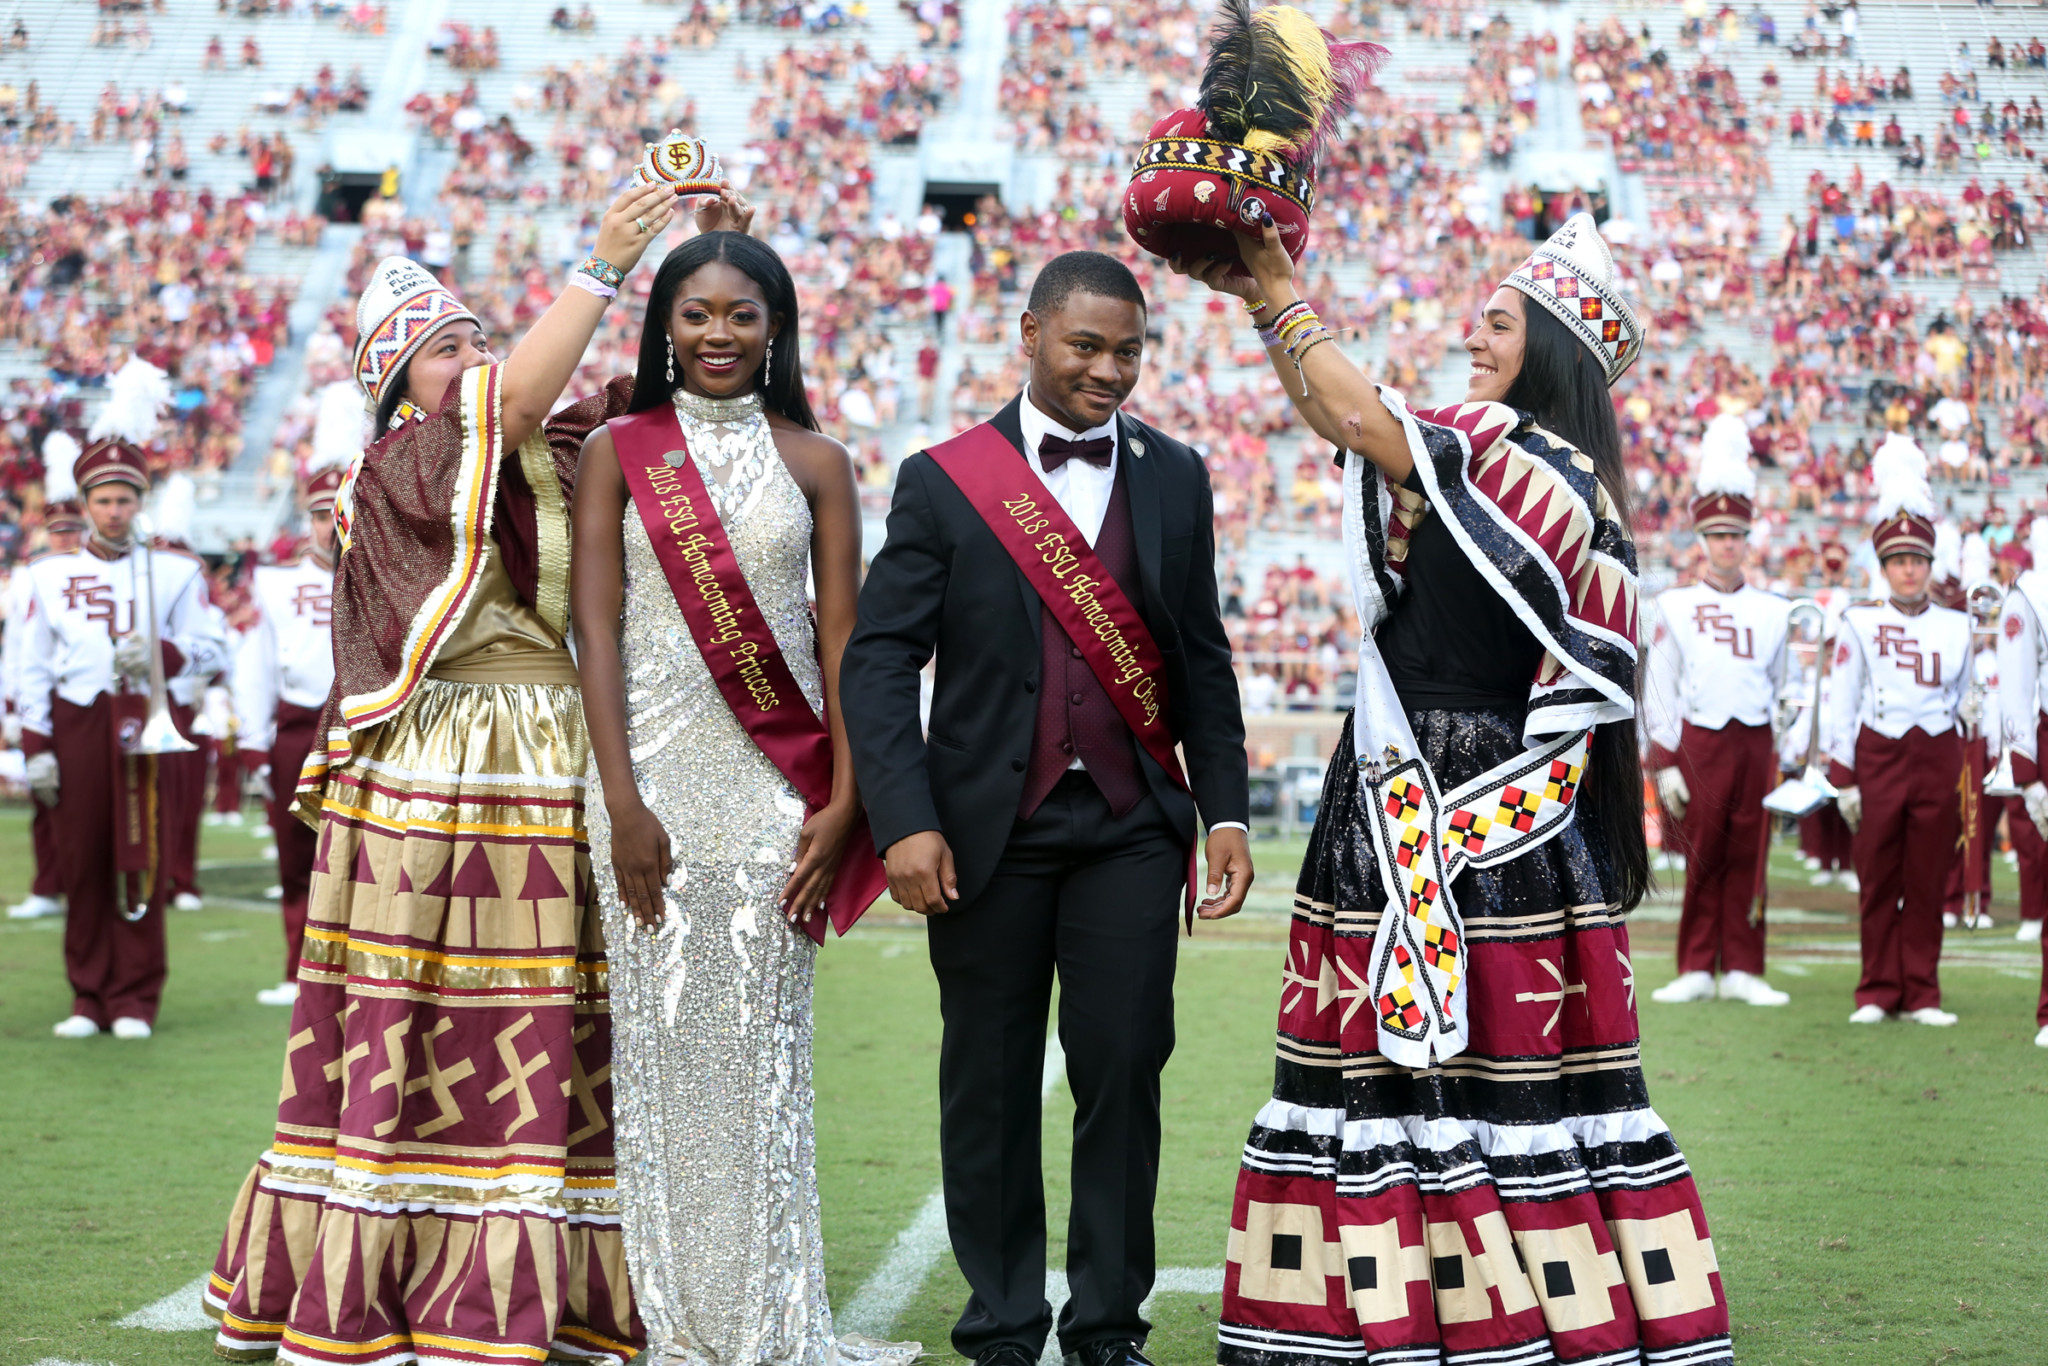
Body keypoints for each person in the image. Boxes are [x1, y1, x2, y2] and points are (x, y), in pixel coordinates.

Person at [1176, 212, 1730, 1365]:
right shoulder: (1492, 456)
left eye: (1498, 321)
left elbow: (1369, 416)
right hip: (1412, 776)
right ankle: (1439, 1290)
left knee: (1467, 1062)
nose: (1473, 335)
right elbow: (1343, 417)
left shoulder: (1534, 464)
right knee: (1420, 1055)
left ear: (1557, 348)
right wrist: (1254, 298)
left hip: (1459, 778)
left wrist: (1278, 282)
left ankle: (1455, 1300)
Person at [203, 178, 688, 1366]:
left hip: (553, 746)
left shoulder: (537, 450)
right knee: (416, 1014)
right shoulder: (402, 469)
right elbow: (517, 394)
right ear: (396, 383)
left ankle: (554, 1283)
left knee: (553, 1019)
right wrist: (604, 261)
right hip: (444, 760)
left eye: (477, 335)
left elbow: (649, 401)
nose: (475, 356)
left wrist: (698, 256)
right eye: (445, 347)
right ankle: (394, 1274)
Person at [841, 249, 1254, 1366]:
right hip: (982, 835)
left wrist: (1225, 810)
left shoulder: (1176, 474)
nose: (1109, 370)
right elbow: (879, 662)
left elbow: (1200, 660)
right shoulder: (940, 478)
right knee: (988, 1077)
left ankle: (1108, 1325)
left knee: (1122, 1069)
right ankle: (1003, 1320)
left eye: (1128, 350)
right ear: (1029, 333)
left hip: (1129, 827)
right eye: (1086, 345)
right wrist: (904, 819)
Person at [572, 219, 915, 1366]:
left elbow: (843, 644)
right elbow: (597, 629)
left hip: (780, 796)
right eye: (695, 314)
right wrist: (621, 800)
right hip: (647, 792)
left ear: (776, 330)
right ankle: (678, 1324)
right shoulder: (620, 449)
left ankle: (770, 1322)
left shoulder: (817, 462)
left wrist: (848, 800)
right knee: (661, 1050)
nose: (717, 334)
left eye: (740, 315)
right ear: (663, 325)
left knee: (761, 1060)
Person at [19, 371, 228, 1040]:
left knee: (141, 856)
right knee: (80, 860)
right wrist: (36, 747)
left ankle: (135, 996)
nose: (114, 511)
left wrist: (163, 655)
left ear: (141, 501)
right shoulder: (46, 575)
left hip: (145, 722)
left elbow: (214, 649)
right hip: (78, 719)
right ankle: (87, 995)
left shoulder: (175, 571)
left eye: (125, 499)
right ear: (85, 502)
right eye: (103, 500)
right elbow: (31, 666)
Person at [1645, 416, 1794, 1006]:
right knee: (1703, 856)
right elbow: (1661, 688)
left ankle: (1745, 969)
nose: (1728, 545)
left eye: (1737, 535)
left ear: (1748, 539)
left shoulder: (1775, 608)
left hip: (1756, 741)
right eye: (1718, 535)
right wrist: (1667, 762)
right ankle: (1697, 966)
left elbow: (1788, 687)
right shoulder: (1675, 606)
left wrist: (1789, 746)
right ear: (1702, 540)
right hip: (1701, 742)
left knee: (1751, 855)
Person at [1827, 443, 1970, 1027]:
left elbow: (1965, 700)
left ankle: (1924, 991)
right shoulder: (1859, 620)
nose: (1910, 569)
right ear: (1883, 566)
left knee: (1929, 877)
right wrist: (1844, 777)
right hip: (1880, 750)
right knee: (1879, 875)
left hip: (1937, 750)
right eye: (1899, 560)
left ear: (1930, 565)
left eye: (1918, 559)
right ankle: (1877, 989)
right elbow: (1843, 700)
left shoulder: (1958, 625)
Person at [232, 466, 344, 1008]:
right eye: (320, 515)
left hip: (364, 725)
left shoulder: (385, 572)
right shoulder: (274, 582)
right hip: (299, 724)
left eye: (337, 513)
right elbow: (254, 665)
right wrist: (254, 740)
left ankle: (355, 968)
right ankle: (296, 967)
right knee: (296, 849)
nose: (329, 526)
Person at [5, 433, 84, 922]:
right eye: (57, 531)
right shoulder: (31, 575)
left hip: (85, 697)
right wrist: (14, 707)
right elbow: (17, 646)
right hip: (44, 695)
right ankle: (47, 884)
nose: (65, 539)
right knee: (45, 799)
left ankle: (87, 886)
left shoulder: (97, 568)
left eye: (72, 529)